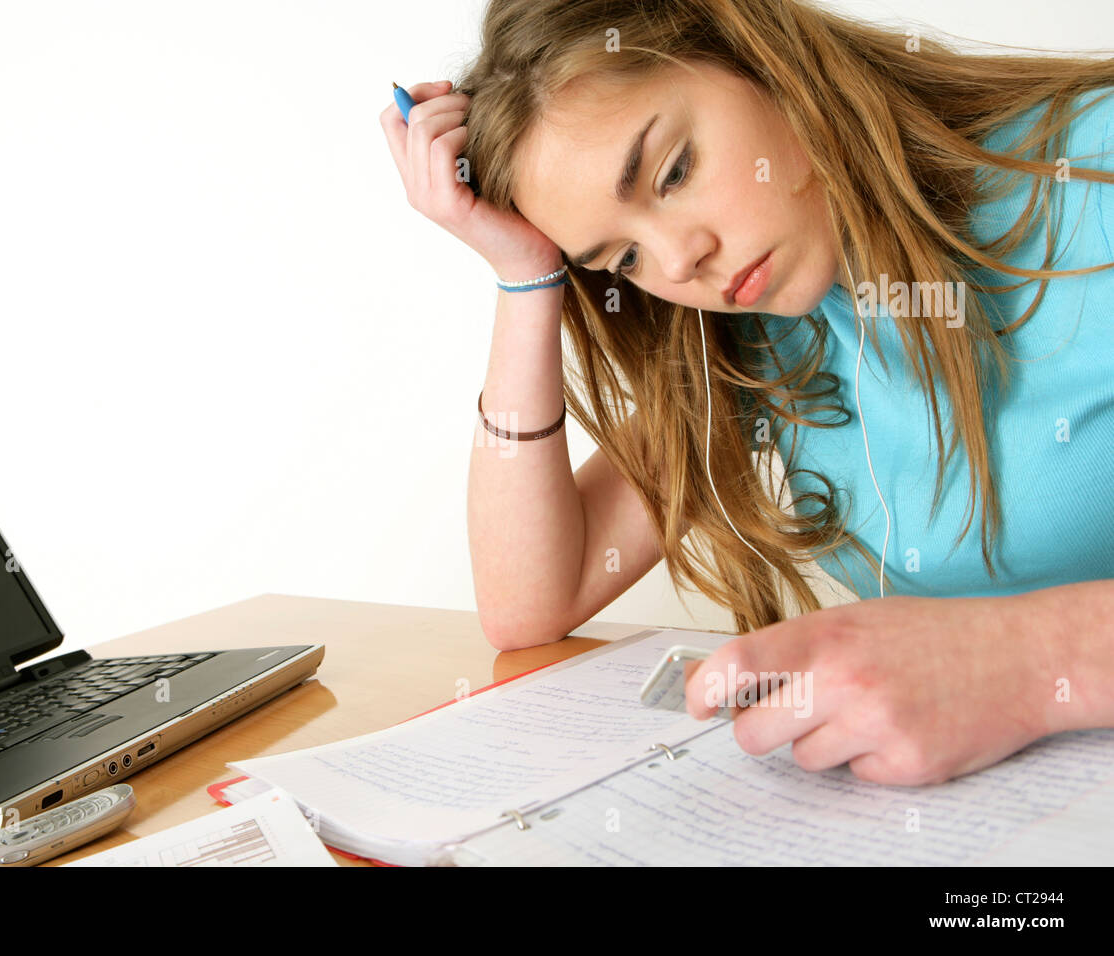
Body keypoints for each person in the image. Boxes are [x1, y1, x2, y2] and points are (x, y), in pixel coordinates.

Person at [378, 0, 1114, 786]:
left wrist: (1019, 661)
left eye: (674, 171)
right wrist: (524, 276)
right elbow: (530, 603)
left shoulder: (1093, 171)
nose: (681, 260)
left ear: (757, 55)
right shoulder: (768, 329)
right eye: (623, 258)